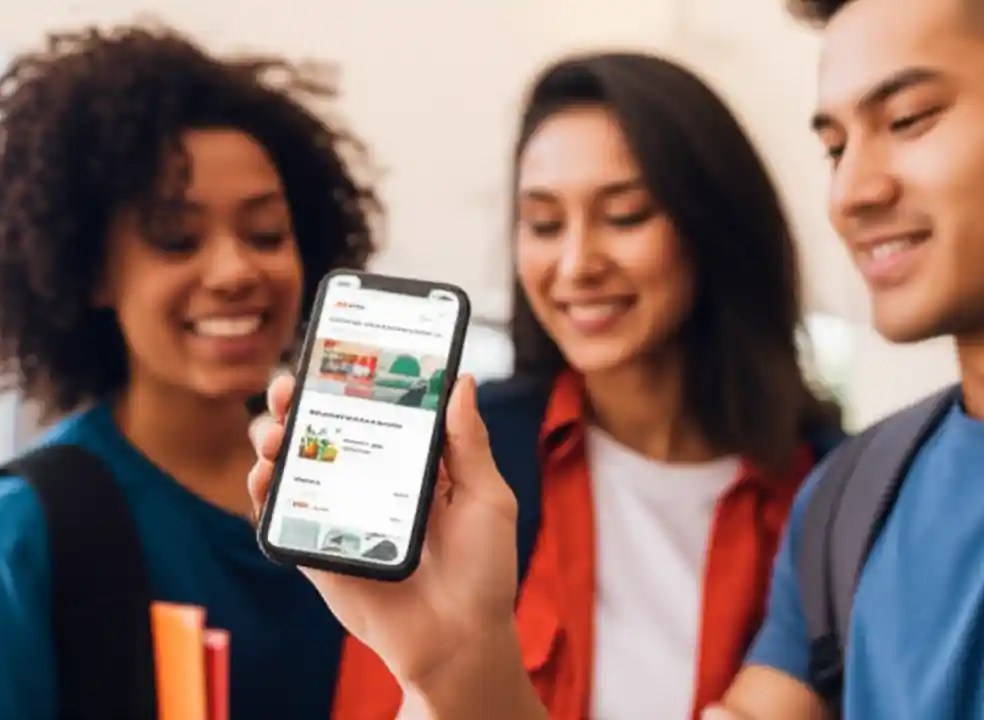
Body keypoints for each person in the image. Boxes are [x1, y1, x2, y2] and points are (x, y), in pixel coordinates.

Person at [250, 0, 984, 717]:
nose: (851, 191)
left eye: (911, 119)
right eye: (833, 148)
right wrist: (461, 661)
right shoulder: (853, 502)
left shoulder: (814, 488)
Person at [337, 51, 842, 720]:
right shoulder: (465, 464)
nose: (576, 264)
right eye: (544, 225)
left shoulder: (833, 494)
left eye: (626, 215)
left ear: (714, 225)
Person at [0, 25, 379, 719]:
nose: (235, 272)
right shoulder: (28, 525)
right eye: (176, 239)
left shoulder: (351, 498)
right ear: (91, 272)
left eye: (265, 234)